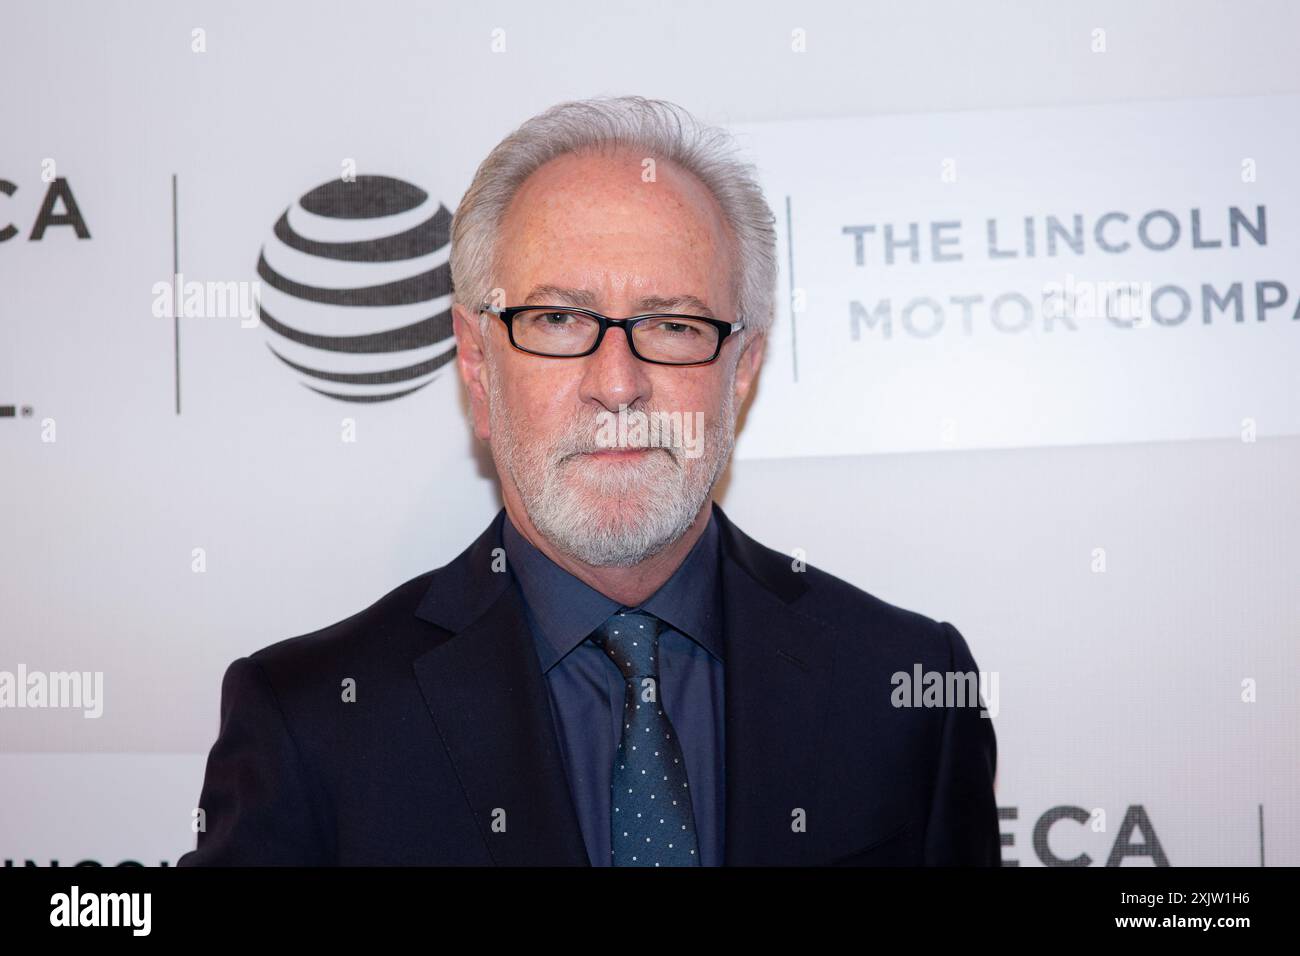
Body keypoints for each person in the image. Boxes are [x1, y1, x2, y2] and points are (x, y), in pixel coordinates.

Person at [178, 95, 1000, 867]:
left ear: (742, 367)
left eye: (673, 325)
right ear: (475, 360)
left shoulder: (906, 688)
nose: (617, 382)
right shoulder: (312, 721)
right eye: (557, 319)